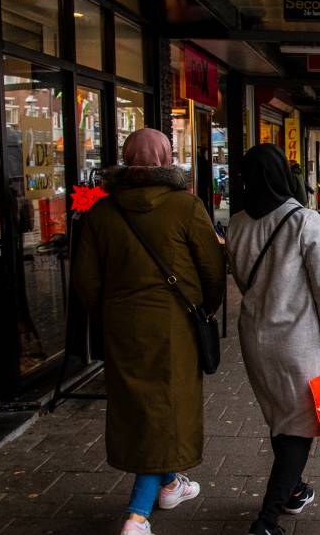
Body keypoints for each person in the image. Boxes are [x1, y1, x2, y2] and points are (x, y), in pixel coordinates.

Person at [71, 128, 226, 535]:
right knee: (167, 409)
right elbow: (212, 269)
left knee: (142, 410)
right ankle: (137, 515)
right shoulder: (185, 206)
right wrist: (206, 309)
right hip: (175, 325)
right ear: (166, 159)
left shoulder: (102, 213)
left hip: (123, 328)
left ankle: (172, 483)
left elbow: (85, 281)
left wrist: (110, 314)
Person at [227, 145, 320, 535]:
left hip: (254, 338)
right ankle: (266, 521)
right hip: (297, 344)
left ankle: (294, 488)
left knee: (282, 417)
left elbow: (240, 279)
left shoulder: (236, 223)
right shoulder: (305, 221)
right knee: (298, 427)